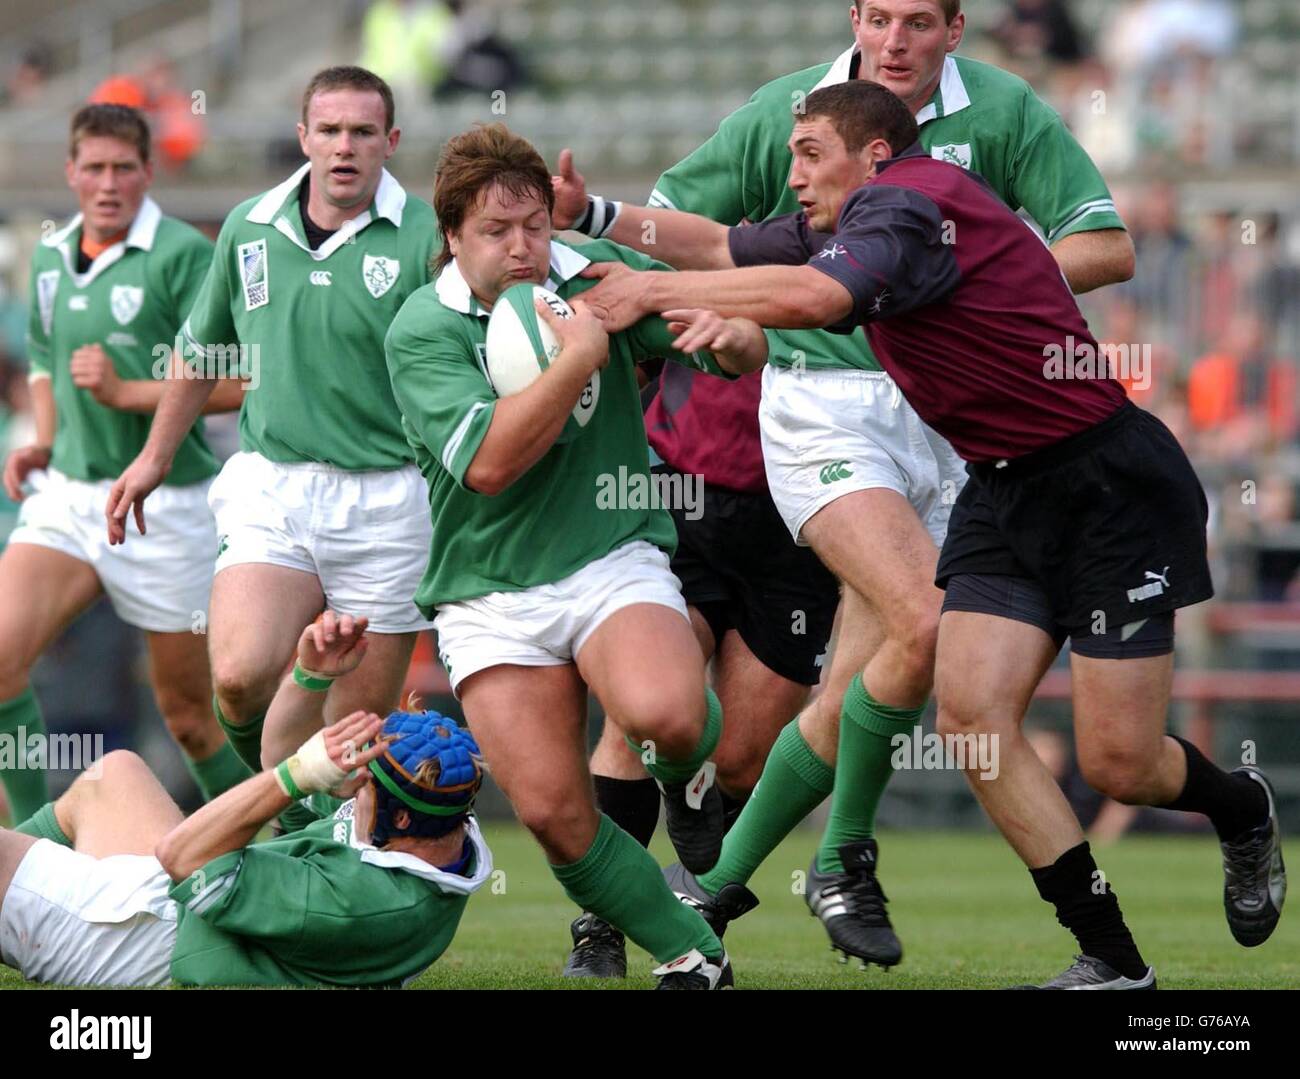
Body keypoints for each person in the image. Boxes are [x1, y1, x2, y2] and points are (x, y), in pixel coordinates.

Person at [582, 79, 1285, 989]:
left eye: (808, 156)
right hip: (1001, 488)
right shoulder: (847, 218)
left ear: (874, 157)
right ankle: (1112, 961)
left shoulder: (912, 207)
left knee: (1119, 759)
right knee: (970, 719)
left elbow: (816, 297)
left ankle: (1239, 807)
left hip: (1108, 488)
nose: (790, 174)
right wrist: (593, 218)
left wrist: (655, 291)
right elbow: (717, 238)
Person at [553, 0, 1136, 970]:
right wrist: (596, 231)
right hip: (808, 416)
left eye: (917, 21)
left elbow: (1106, 243)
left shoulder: (1004, 111)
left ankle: (732, 884)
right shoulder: (790, 111)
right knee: (898, 631)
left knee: (866, 681)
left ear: (956, 29)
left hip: (947, 416)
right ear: (854, 19)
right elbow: (698, 236)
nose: (893, 40)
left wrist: (974, 275)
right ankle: (791, 867)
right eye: (877, 17)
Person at [384, 122, 768, 988]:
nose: (523, 249)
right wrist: (582, 353)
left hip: (608, 553)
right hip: (486, 592)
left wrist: (729, 332)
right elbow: (489, 463)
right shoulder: (420, 329)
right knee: (558, 818)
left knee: (667, 713)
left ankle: (688, 778)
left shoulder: (594, 275)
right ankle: (692, 952)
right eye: (496, 231)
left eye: (533, 226)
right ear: (451, 236)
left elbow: (742, 350)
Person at [107, 68, 440, 823]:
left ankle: (307, 869)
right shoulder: (249, 225)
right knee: (238, 676)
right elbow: (198, 352)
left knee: (351, 744)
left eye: (362, 132)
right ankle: (263, 813)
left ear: (390, 142)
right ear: (303, 138)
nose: (344, 147)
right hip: (274, 483)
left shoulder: (427, 235)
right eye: (329, 131)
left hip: (390, 499)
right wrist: (154, 456)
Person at [0, 608, 491, 987]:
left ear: (401, 820)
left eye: (366, 781)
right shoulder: (439, 836)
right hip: (181, 903)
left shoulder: (360, 902)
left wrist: (300, 773)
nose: (356, 783)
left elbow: (183, 859)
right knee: (116, 774)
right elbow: (279, 758)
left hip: (142, 939)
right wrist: (310, 679)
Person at [2, 103, 246, 821]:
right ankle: (28, 848)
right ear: (71, 171)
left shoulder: (183, 255)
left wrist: (125, 390)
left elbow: (238, 376)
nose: (108, 183)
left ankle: (260, 856)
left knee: (191, 717)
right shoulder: (50, 255)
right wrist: (43, 440)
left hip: (166, 509)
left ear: (148, 170)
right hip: (70, 497)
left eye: (123, 168)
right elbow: (46, 360)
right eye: (94, 167)